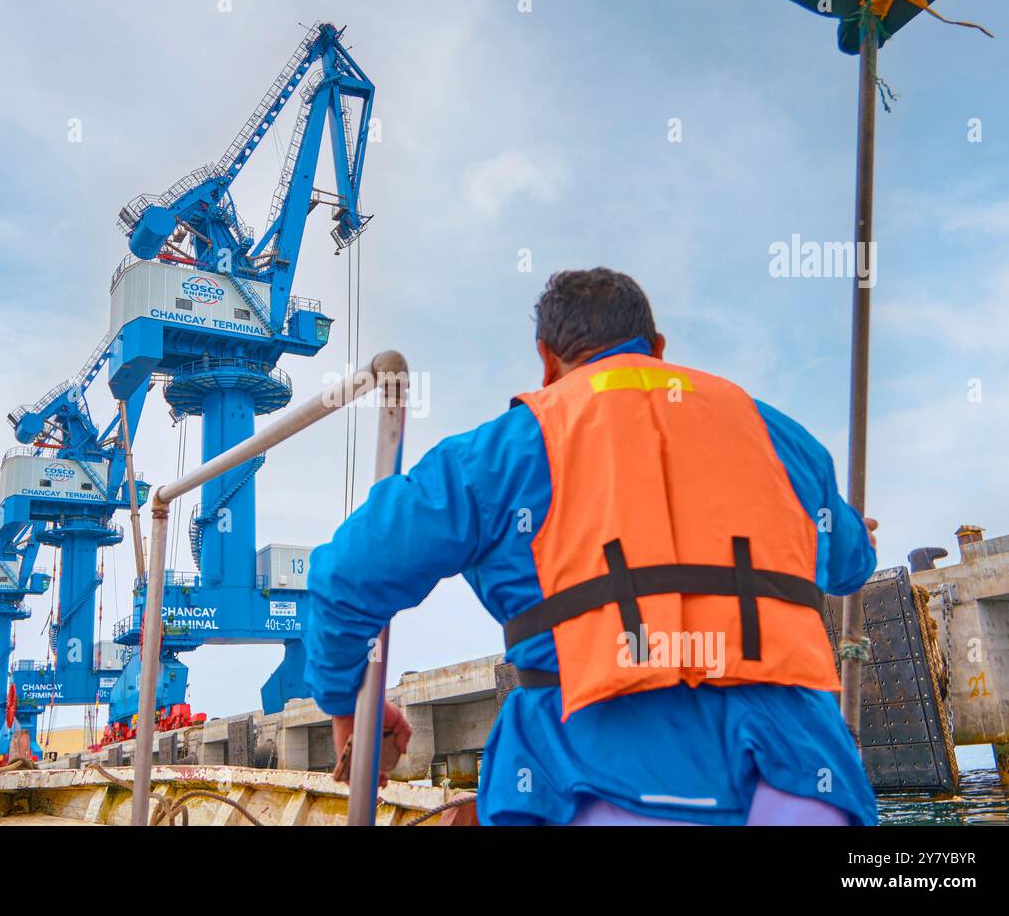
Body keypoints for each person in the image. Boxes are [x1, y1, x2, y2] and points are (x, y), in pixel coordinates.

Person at [305, 268, 879, 825]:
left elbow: (346, 574)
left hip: (593, 780)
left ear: (546, 358)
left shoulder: (503, 450)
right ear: (657, 346)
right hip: (802, 779)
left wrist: (347, 701)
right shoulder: (778, 433)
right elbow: (852, 563)